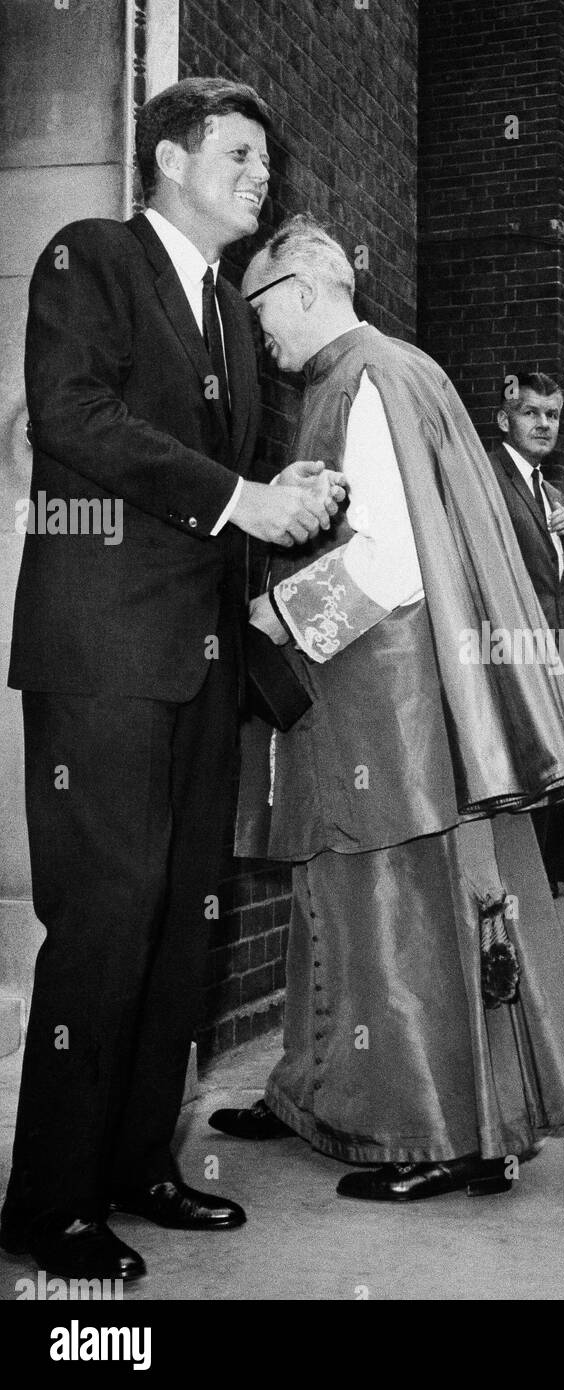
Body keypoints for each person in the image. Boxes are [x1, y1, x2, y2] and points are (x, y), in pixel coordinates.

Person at [0, 79, 340, 1283]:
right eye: (240, 152)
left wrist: (262, 548)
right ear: (167, 157)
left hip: (197, 660)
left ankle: (139, 1164)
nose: (261, 172)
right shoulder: (88, 256)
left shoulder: (230, 320)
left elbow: (220, 490)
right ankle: (49, 1200)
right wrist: (244, 496)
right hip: (100, 657)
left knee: (182, 924)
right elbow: (74, 420)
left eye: (263, 155)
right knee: (101, 923)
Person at [208, 216, 564, 1200]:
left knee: (399, 910)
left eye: (258, 308)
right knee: (342, 902)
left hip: (385, 705)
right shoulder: (399, 370)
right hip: (385, 697)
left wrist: (274, 612)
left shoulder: (364, 380)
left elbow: (386, 561)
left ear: (300, 290)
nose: (256, 334)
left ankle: (432, 1132)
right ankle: (320, 1089)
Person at [487, 370, 564, 892]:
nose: (542, 424)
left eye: (552, 415)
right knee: (516, 785)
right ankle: (517, 896)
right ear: (504, 419)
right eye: (530, 412)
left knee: (551, 784)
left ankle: (536, 893)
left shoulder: (554, 494)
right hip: (508, 658)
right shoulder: (486, 480)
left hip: (556, 658)